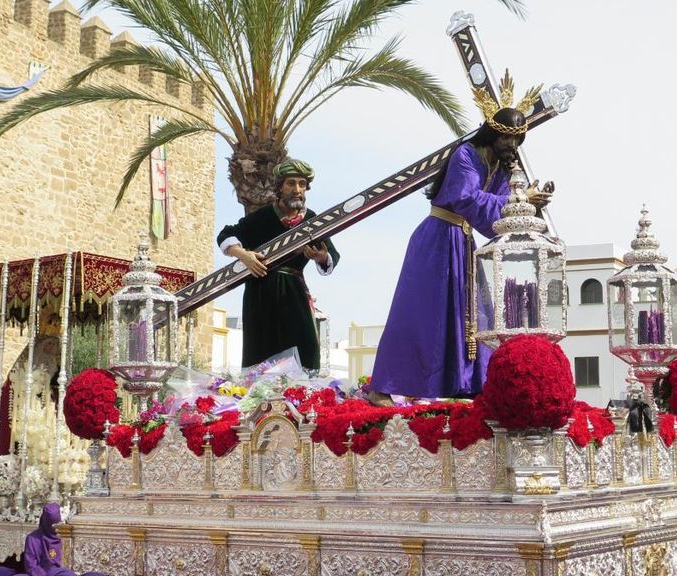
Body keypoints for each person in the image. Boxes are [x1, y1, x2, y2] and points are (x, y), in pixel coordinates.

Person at [368, 100, 553, 405]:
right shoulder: (465, 155)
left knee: (471, 315)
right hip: (438, 238)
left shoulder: (502, 168)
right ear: (492, 133)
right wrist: (519, 198)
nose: (512, 144)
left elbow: (500, 216)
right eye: (507, 137)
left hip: (465, 243)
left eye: (517, 139)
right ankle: (383, 386)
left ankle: (463, 385)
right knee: (421, 313)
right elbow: (464, 197)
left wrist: (529, 202)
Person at [217, 158, 338, 371]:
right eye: (291, 183)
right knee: (262, 355)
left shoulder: (311, 220)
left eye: (301, 184)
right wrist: (243, 255)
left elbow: (331, 256)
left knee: (305, 351)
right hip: (260, 295)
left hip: (295, 294)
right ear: (280, 187)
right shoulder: (262, 217)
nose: (297, 189)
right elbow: (226, 235)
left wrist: (320, 256)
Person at [22, 505, 62, 576]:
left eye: (57, 525)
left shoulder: (65, 536)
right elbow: (31, 566)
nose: (55, 529)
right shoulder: (33, 538)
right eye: (52, 525)